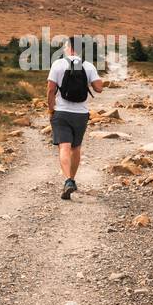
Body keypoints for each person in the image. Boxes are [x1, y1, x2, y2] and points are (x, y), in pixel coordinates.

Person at [46, 35, 103, 199]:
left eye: (64, 46)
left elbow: (50, 90)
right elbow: (99, 88)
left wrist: (51, 110)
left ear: (70, 47)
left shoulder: (58, 64)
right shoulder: (88, 66)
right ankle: (72, 179)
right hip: (81, 114)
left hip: (62, 112)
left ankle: (68, 180)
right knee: (76, 148)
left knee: (64, 146)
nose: (64, 48)